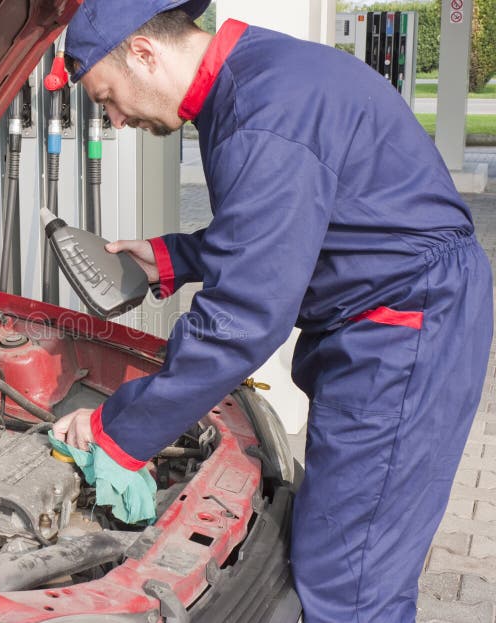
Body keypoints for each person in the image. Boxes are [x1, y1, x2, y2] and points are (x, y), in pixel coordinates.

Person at [51, 1, 493, 621]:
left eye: (108, 97)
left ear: (144, 54)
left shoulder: (263, 115)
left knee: (350, 582)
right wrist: (166, 259)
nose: (116, 119)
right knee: (340, 542)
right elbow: (281, 226)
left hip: (405, 329)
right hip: (395, 309)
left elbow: (244, 315)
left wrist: (122, 431)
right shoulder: (255, 77)